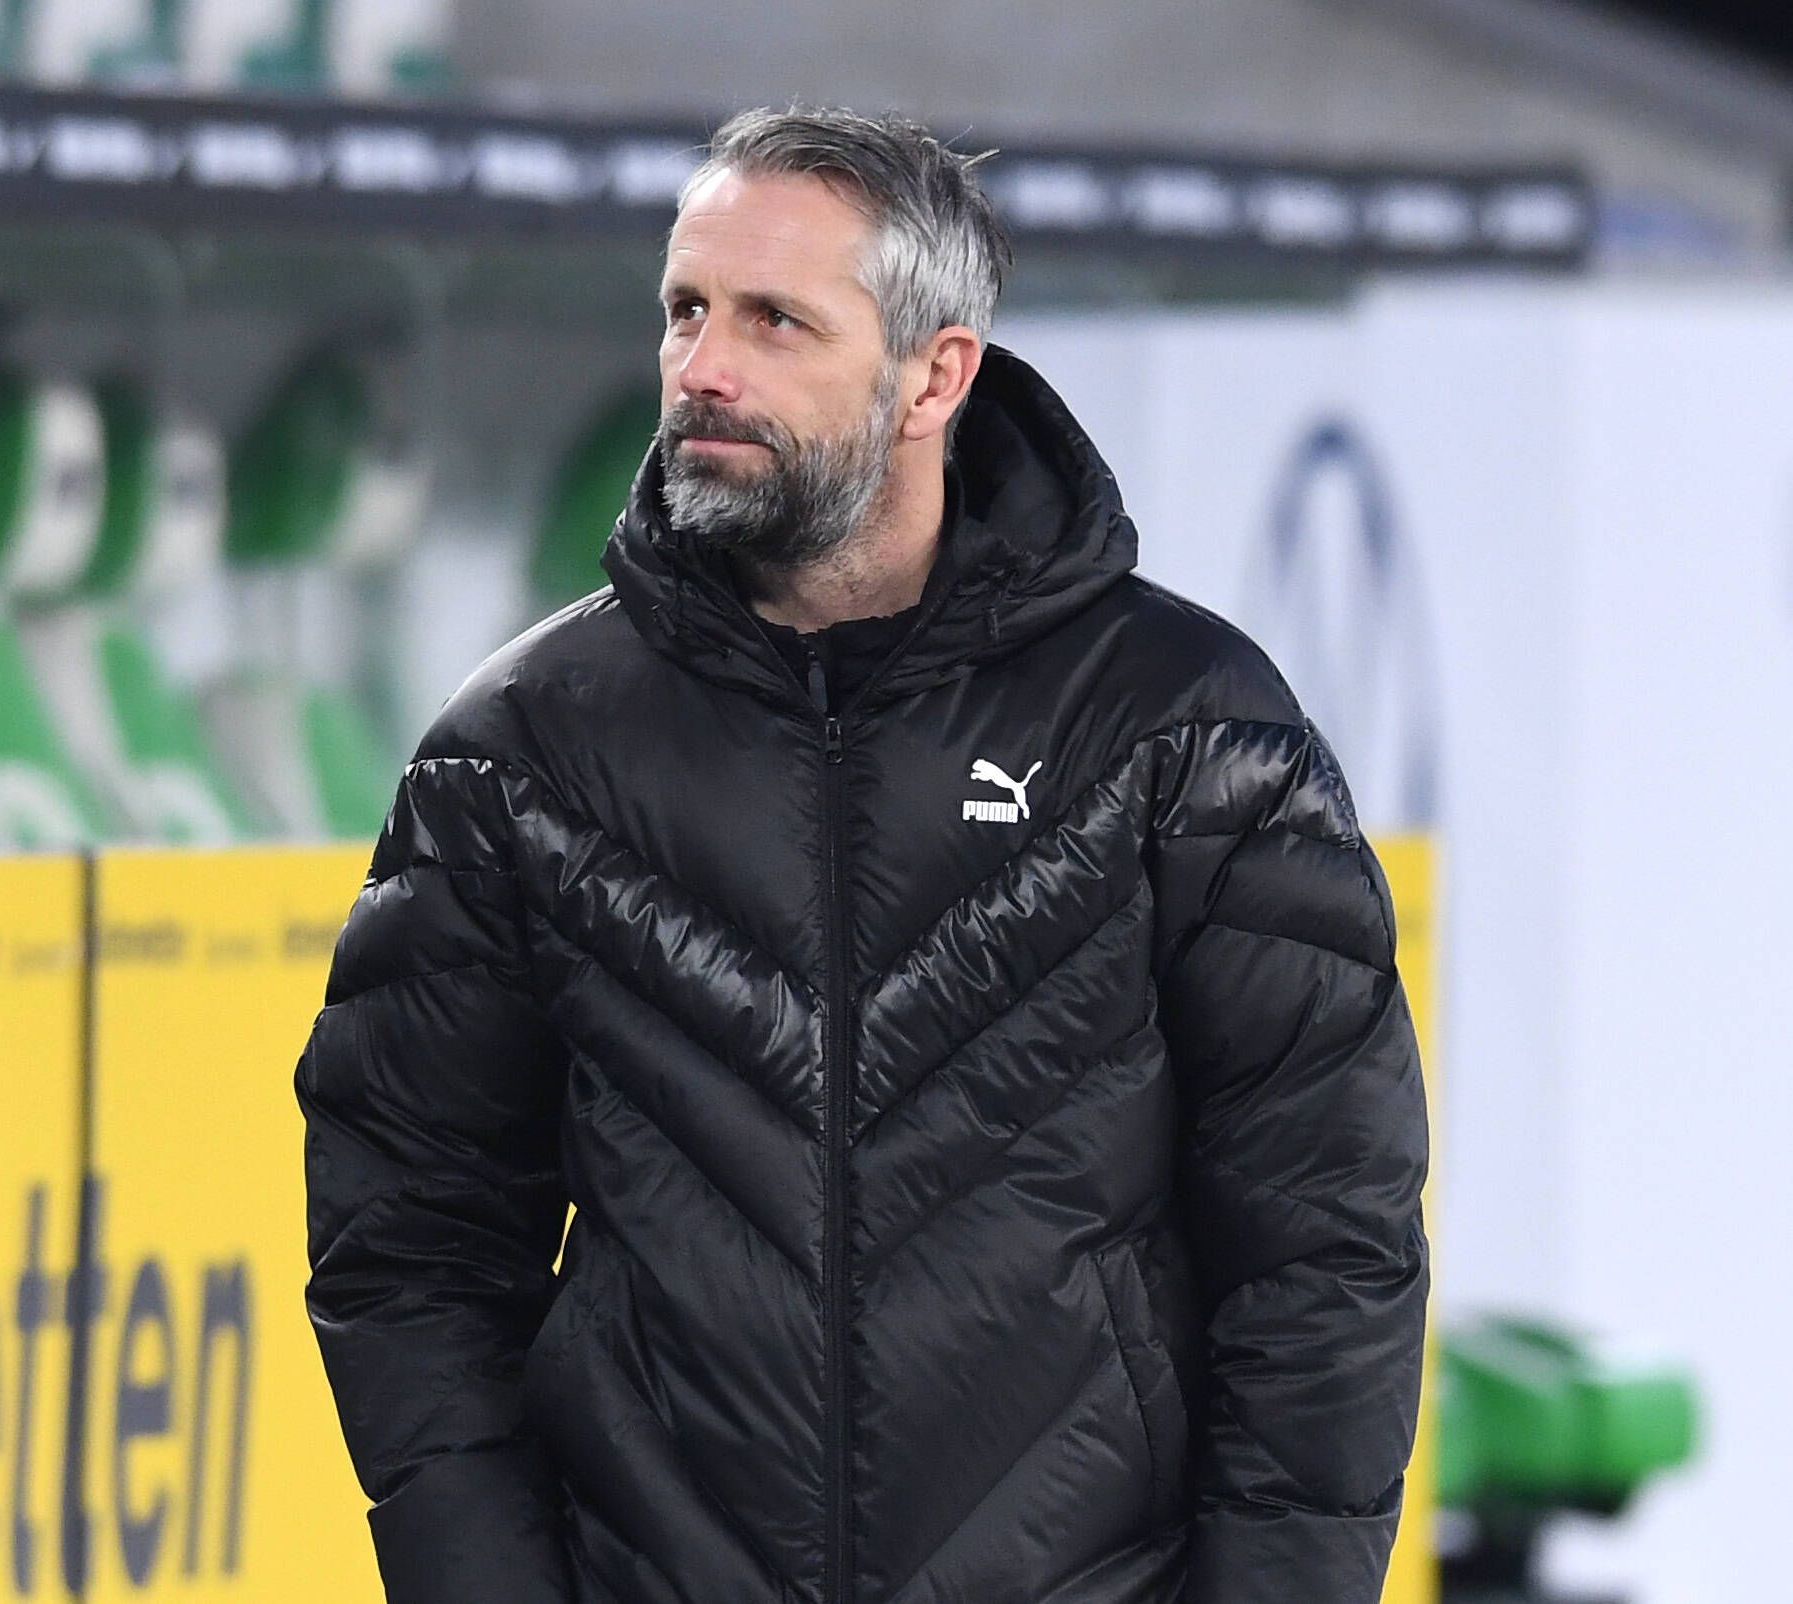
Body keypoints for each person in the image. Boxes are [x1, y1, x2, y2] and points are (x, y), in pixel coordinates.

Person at [294, 105, 1430, 1604]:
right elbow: (411, 1245)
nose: (703, 366)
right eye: (685, 310)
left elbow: (1326, 1252)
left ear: (933, 376)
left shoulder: (1185, 728)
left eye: (775, 321)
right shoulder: (520, 747)